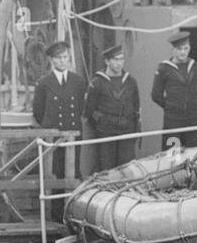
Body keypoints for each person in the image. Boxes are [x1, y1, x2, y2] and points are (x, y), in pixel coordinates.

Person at [31, 41, 88, 207]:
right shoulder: (44, 83)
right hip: (53, 136)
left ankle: (72, 208)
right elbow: (38, 112)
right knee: (55, 172)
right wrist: (50, 127)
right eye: (58, 58)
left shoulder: (78, 81)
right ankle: (56, 212)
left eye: (65, 57)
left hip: (73, 133)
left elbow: (81, 107)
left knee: (73, 171)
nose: (63, 61)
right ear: (51, 60)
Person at [150, 31, 197, 150]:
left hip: (193, 120)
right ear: (173, 50)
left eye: (186, 48)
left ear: (189, 48)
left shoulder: (196, 67)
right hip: (173, 122)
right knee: (172, 156)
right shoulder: (164, 69)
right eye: (179, 49)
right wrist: (172, 106)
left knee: (193, 155)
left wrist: (193, 104)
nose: (183, 52)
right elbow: (155, 95)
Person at [85, 43, 140, 173]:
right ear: (107, 61)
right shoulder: (97, 83)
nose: (119, 63)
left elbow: (136, 106)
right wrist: (102, 123)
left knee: (127, 168)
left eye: (121, 59)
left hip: (126, 131)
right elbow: (89, 111)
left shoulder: (130, 81)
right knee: (107, 168)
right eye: (115, 59)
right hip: (106, 132)